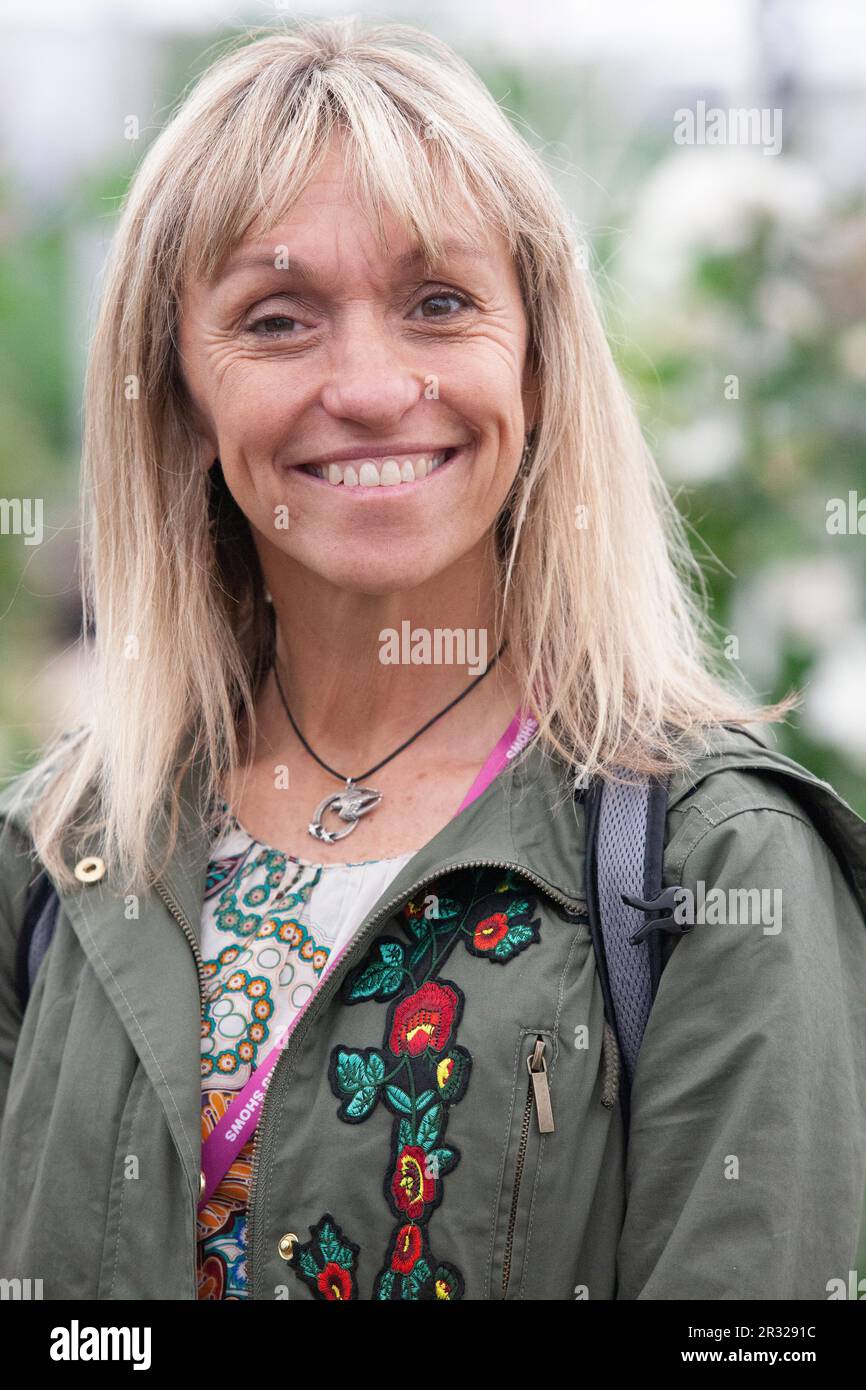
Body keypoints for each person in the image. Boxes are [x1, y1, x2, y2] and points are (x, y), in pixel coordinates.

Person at [0, 17, 864, 1302]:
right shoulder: (59, 853)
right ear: (177, 396)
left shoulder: (711, 868)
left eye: (439, 303)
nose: (369, 383)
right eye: (279, 318)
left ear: (537, 358)